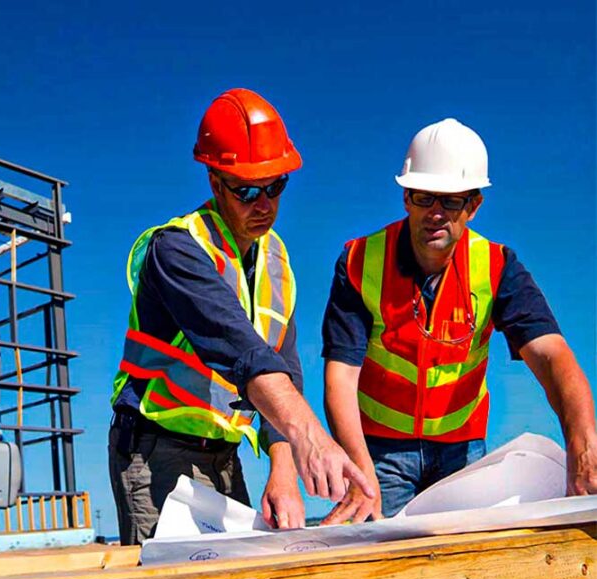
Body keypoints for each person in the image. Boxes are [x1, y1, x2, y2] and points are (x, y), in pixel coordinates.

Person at [108, 88, 372, 545]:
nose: (263, 204)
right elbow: (242, 351)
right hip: (154, 450)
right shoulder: (177, 249)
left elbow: (284, 367)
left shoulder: (276, 261)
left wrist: (283, 470)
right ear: (215, 183)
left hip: (225, 456)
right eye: (247, 190)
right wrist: (310, 436)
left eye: (275, 187)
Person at [321, 118, 597, 524]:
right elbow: (341, 377)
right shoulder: (360, 261)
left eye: (450, 201)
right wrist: (360, 472)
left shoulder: (498, 267)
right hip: (378, 451)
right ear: (406, 198)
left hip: (462, 453)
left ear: (473, 205)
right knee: (376, 553)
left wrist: (584, 449)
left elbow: (552, 356)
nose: (436, 213)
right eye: (424, 197)